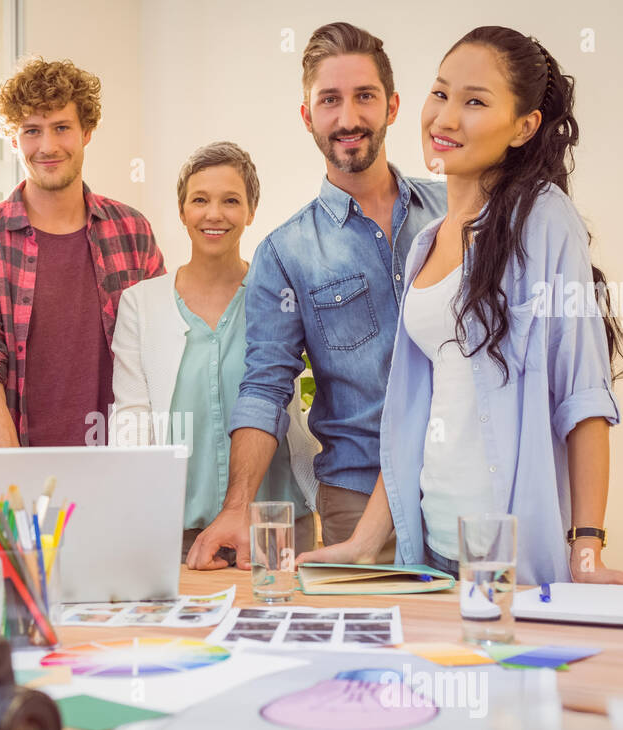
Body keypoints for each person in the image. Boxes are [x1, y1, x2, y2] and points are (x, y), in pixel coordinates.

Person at [298, 27, 623, 586]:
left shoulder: (542, 219)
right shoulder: (425, 244)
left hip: (507, 558)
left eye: (475, 102)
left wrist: (588, 553)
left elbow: (583, 393)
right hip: (433, 551)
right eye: (440, 93)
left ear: (524, 125)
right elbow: (414, 411)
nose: (446, 118)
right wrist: (367, 540)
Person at [186, 23, 446, 570]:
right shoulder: (285, 254)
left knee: (477, 649)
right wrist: (238, 508)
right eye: (330, 100)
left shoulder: (454, 212)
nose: (348, 118)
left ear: (393, 105)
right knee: (372, 651)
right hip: (355, 499)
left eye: (364, 97)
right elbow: (265, 387)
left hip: (464, 486)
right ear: (307, 115)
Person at [111, 142, 319, 561]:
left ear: (251, 212)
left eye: (231, 201)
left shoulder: (282, 295)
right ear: (182, 210)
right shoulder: (141, 304)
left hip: (277, 528)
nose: (214, 214)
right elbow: (131, 415)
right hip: (179, 533)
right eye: (200, 200)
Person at [0, 57, 164, 448]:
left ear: (87, 132)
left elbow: (159, 349)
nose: (47, 146)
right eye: (32, 131)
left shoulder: (133, 231)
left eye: (61, 128)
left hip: (123, 463)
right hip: (20, 470)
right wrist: (17, 479)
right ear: (13, 140)